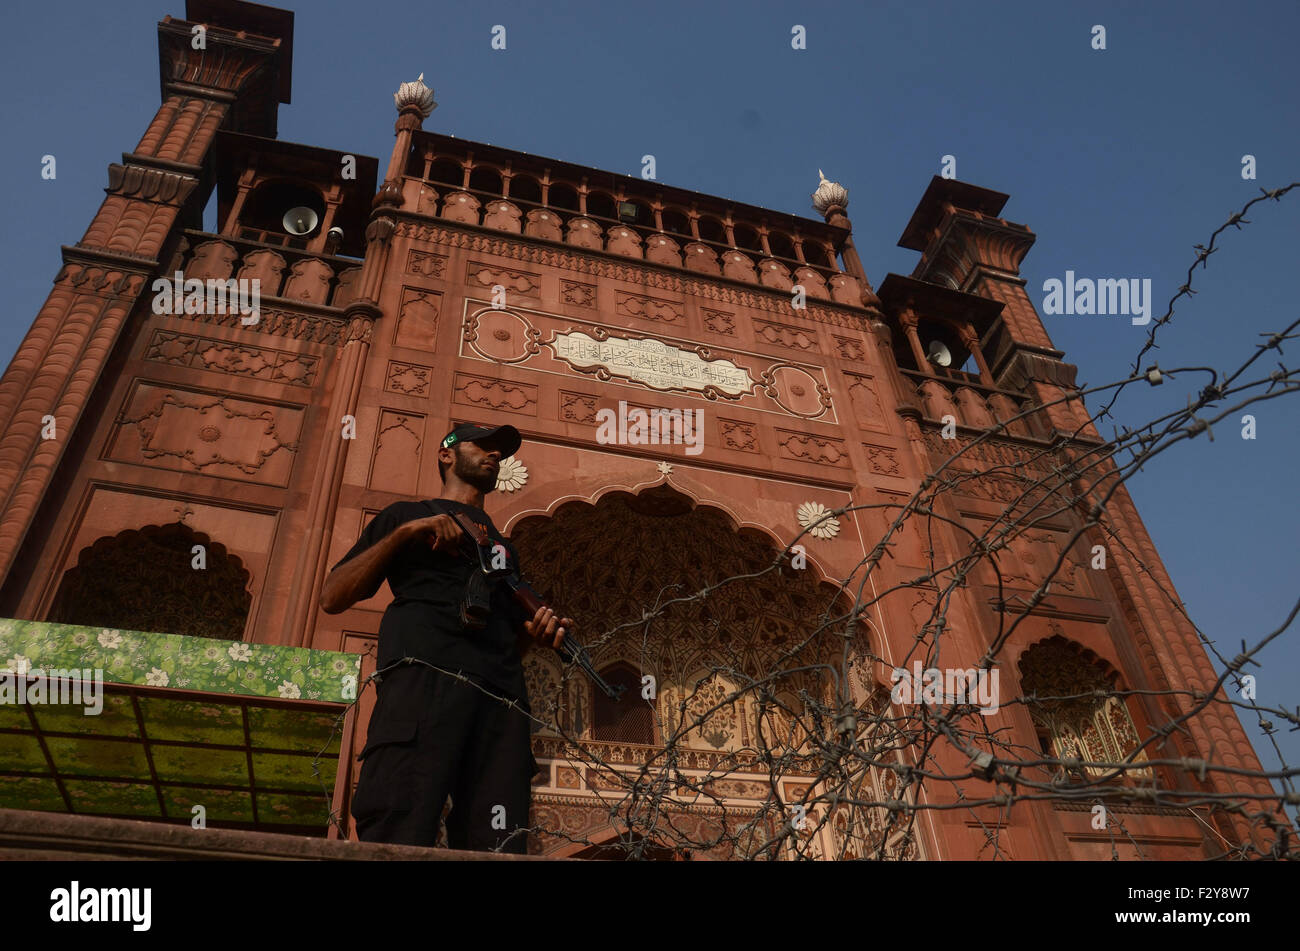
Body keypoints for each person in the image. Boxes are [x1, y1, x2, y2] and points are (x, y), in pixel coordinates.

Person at [319, 421, 570, 853]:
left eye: (499, 451)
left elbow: (513, 642)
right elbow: (332, 597)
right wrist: (406, 534)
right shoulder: (405, 516)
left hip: (497, 698)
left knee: (497, 835)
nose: (494, 454)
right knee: (402, 814)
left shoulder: (503, 550)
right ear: (446, 453)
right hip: (424, 682)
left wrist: (539, 633)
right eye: (483, 446)